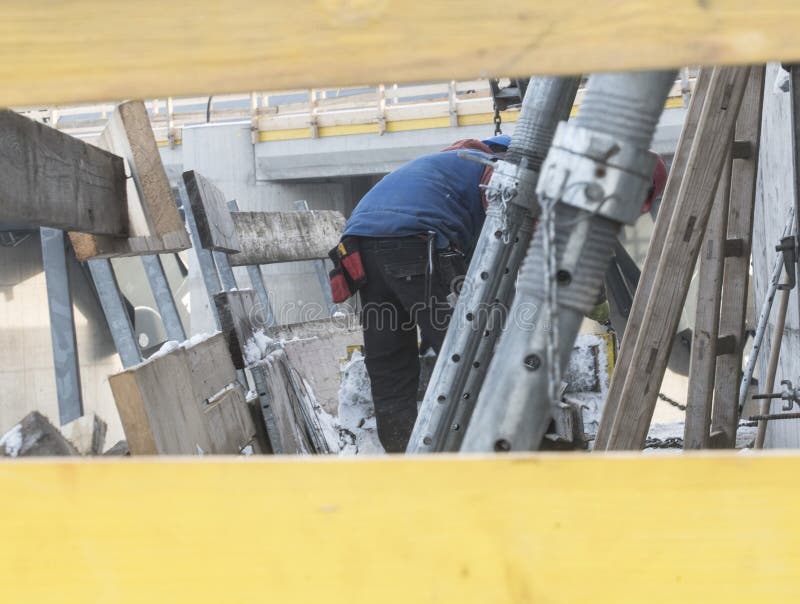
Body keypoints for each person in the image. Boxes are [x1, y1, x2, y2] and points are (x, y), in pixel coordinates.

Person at [337, 135, 510, 452]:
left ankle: (402, 454)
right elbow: (498, 238)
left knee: (389, 362)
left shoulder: (445, 165)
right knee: (464, 351)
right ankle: (489, 449)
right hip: (416, 241)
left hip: (360, 245)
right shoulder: (498, 168)